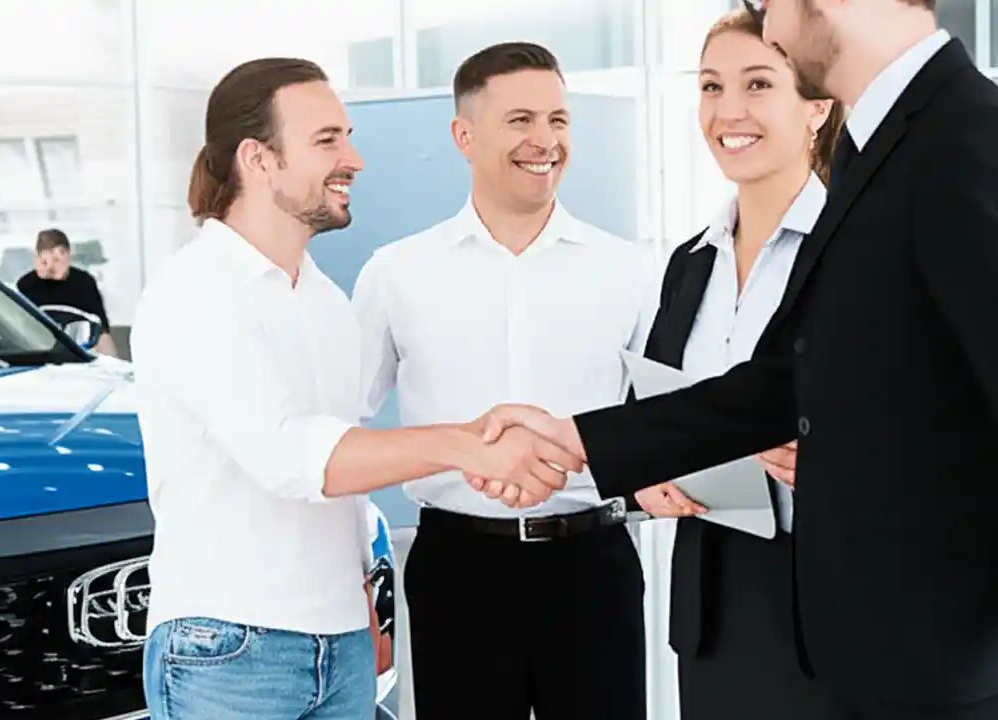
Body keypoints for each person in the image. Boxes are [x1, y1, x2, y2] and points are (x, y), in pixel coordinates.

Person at [477, 0, 998, 717]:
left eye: (774, 8)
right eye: (711, 84)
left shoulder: (965, 138)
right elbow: (784, 380)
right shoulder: (875, 158)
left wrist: (841, 456)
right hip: (796, 636)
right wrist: (583, 440)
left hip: (922, 653)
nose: (775, 26)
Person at [129, 57, 578, 720]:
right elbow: (293, 457)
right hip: (229, 652)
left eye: (348, 136)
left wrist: (360, 603)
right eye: (328, 140)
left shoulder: (323, 301)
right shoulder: (195, 294)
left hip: (339, 647)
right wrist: (465, 445)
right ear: (259, 159)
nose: (355, 159)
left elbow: (345, 478)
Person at [351, 41, 655, 720]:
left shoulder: (629, 271)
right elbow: (338, 431)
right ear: (464, 136)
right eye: (520, 120)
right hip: (458, 568)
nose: (544, 141)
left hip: (592, 564)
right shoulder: (397, 274)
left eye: (558, 120)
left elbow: (665, 419)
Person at [630, 8, 842, 719]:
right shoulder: (690, 264)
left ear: (817, 105)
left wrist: (847, 460)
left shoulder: (861, 249)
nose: (729, 111)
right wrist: (648, 476)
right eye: (712, 87)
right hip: (713, 610)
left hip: (840, 605)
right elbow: (665, 412)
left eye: (758, 84)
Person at [15, 227, 118, 356]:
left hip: (80, 347)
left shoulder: (84, 282)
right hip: (39, 349)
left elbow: (101, 330)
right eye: (48, 259)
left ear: (69, 254)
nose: (54, 264)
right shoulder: (26, 284)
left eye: (60, 256)